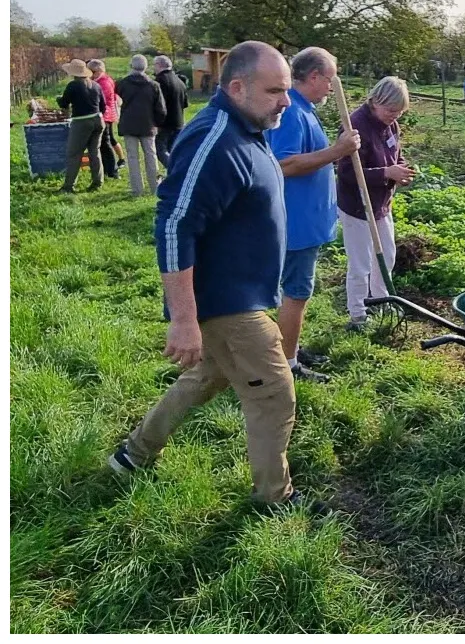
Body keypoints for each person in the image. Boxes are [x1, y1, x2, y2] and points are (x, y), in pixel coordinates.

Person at [109, 41, 325, 515]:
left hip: (237, 293)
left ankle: (133, 454)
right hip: (226, 302)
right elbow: (174, 223)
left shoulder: (249, 123)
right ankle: (276, 499)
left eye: (287, 90)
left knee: (207, 376)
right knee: (273, 393)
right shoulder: (215, 139)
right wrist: (184, 319)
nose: (285, 102)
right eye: (275, 91)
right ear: (237, 86)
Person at [264, 47, 361, 382]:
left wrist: (334, 151)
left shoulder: (303, 108)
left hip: (307, 221)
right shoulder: (291, 111)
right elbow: (284, 164)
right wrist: (338, 151)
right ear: (316, 76)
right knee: (297, 291)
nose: (332, 88)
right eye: (329, 80)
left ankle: (289, 347)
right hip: (297, 223)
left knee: (297, 290)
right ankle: (286, 365)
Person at [337, 76, 415, 332]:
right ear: (375, 101)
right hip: (358, 207)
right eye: (391, 110)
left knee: (387, 255)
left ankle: (381, 300)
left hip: (382, 203)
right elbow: (347, 172)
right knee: (360, 264)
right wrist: (385, 173)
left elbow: (396, 153)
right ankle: (358, 315)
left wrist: (400, 170)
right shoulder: (356, 126)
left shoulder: (391, 125)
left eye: (400, 112)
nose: (395, 116)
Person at [115, 55, 167, 197]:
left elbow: (118, 100)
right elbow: (161, 109)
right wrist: (157, 123)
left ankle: (136, 189)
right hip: (148, 125)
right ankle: (155, 187)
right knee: (151, 155)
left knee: (132, 157)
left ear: (131, 66)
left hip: (129, 124)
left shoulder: (122, 84)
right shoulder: (153, 85)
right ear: (145, 67)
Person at [56, 59, 106, 193]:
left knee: (74, 154)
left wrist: (59, 99)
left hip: (82, 122)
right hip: (98, 120)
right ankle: (97, 182)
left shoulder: (73, 85)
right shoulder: (96, 85)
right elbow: (103, 106)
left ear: (73, 73)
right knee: (95, 152)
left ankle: (68, 186)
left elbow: (64, 103)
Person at [88, 58, 124, 178]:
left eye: (91, 72)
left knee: (106, 143)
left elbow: (99, 100)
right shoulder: (104, 80)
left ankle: (113, 170)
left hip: (106, 115)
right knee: (105, 143)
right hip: (106, 114)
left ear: (97, 71)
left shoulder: (103, 83)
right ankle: (108, 169)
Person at [153, 55, 189, 169]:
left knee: (160, 150)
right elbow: (185, 104)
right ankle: (178, 170)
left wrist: (156, 122)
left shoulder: (159, 81)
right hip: (179, 121)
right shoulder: (180, 81)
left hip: (164, 123)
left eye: (154, 65)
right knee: (173, 150)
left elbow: (158, 104)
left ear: (159, 65)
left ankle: (176, 171)